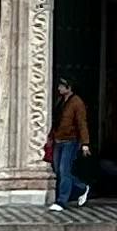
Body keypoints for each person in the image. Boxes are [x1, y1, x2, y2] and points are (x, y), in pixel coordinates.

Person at [47, 79, 91, 211]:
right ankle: (82, 187)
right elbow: (56, 120)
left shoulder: (77, 102)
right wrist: (51, 137)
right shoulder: (60, 101)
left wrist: (85, 143)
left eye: (61, 86)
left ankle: (61, 201)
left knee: (64, 170)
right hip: (58, 140)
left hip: (70, 141)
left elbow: (82, 123)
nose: (59, 88)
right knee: (58, 170)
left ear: (69, 87)